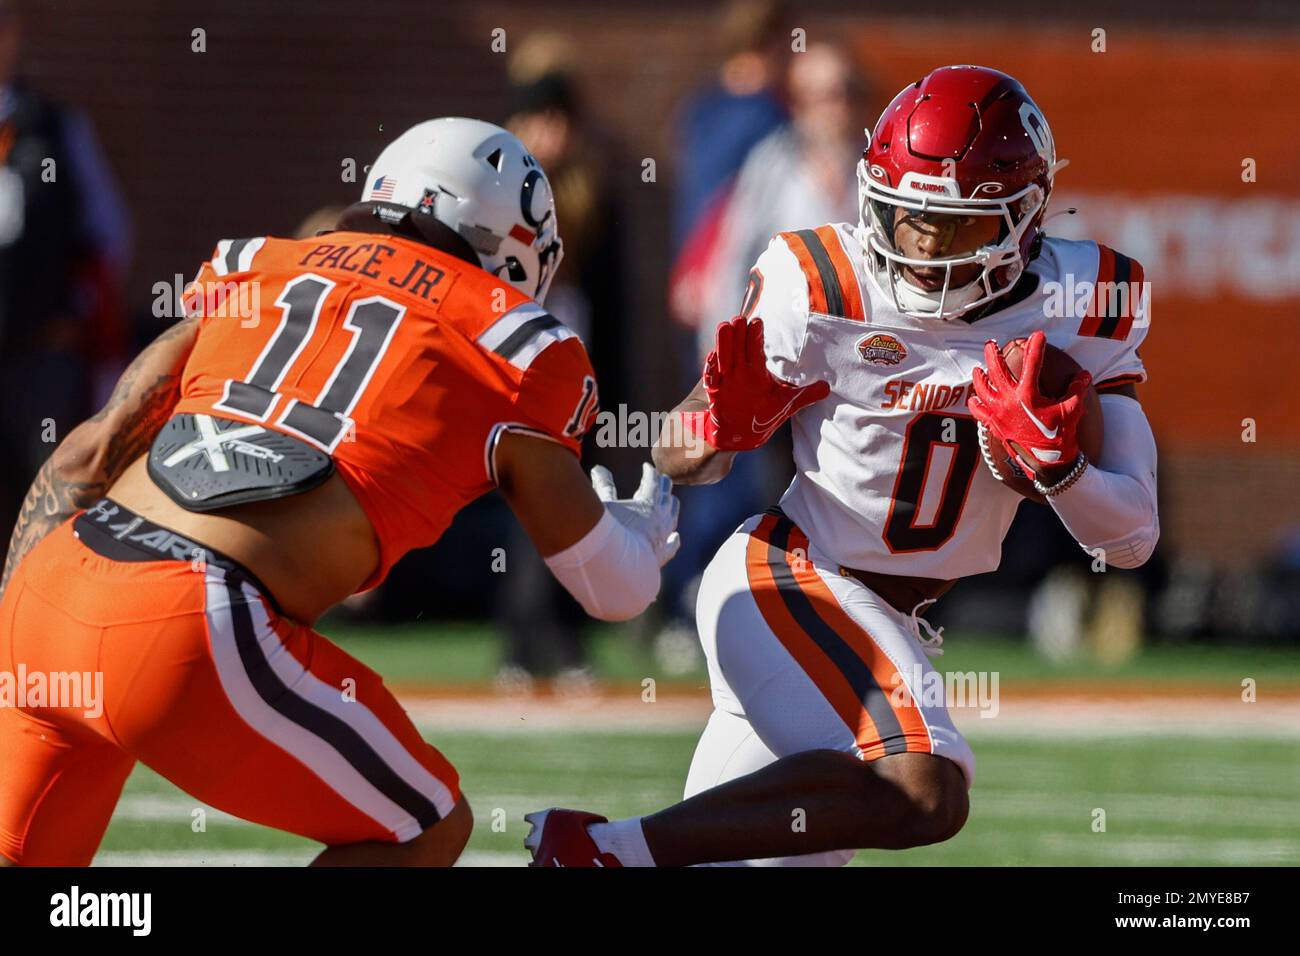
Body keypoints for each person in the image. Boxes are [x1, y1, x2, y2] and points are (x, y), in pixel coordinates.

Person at [0, 117, 679, 867]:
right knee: (426, 824)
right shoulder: (511, 342)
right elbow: (613, 590)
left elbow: (91, 449)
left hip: (51, 585)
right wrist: (641, 532)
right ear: (513, 243)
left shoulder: (264, 267)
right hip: (192, 618)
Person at [525, 66, 1159, 866]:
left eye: (951, 227)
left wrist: (1062, 472)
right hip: (788, 578)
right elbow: (673, 450)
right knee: (925, 788)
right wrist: (723, 424)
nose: (921, 249)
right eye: (904, 219)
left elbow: (1133, 536)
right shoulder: (823, 283)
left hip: (889, 622)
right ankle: (599, 849)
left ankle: (606, 855)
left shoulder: (1081, 303)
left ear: (1023, 217)